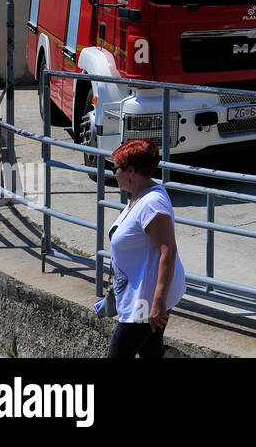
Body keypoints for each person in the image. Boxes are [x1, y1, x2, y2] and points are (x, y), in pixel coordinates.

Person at [105, 139, 186, 358]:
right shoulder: (137, 198)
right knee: (150, 351)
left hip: (145, 300)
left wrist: (158, 303)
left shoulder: (151, 203)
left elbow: (168, 250)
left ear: (131, 170)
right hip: (140, 292)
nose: (114, 173)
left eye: (116, 168)